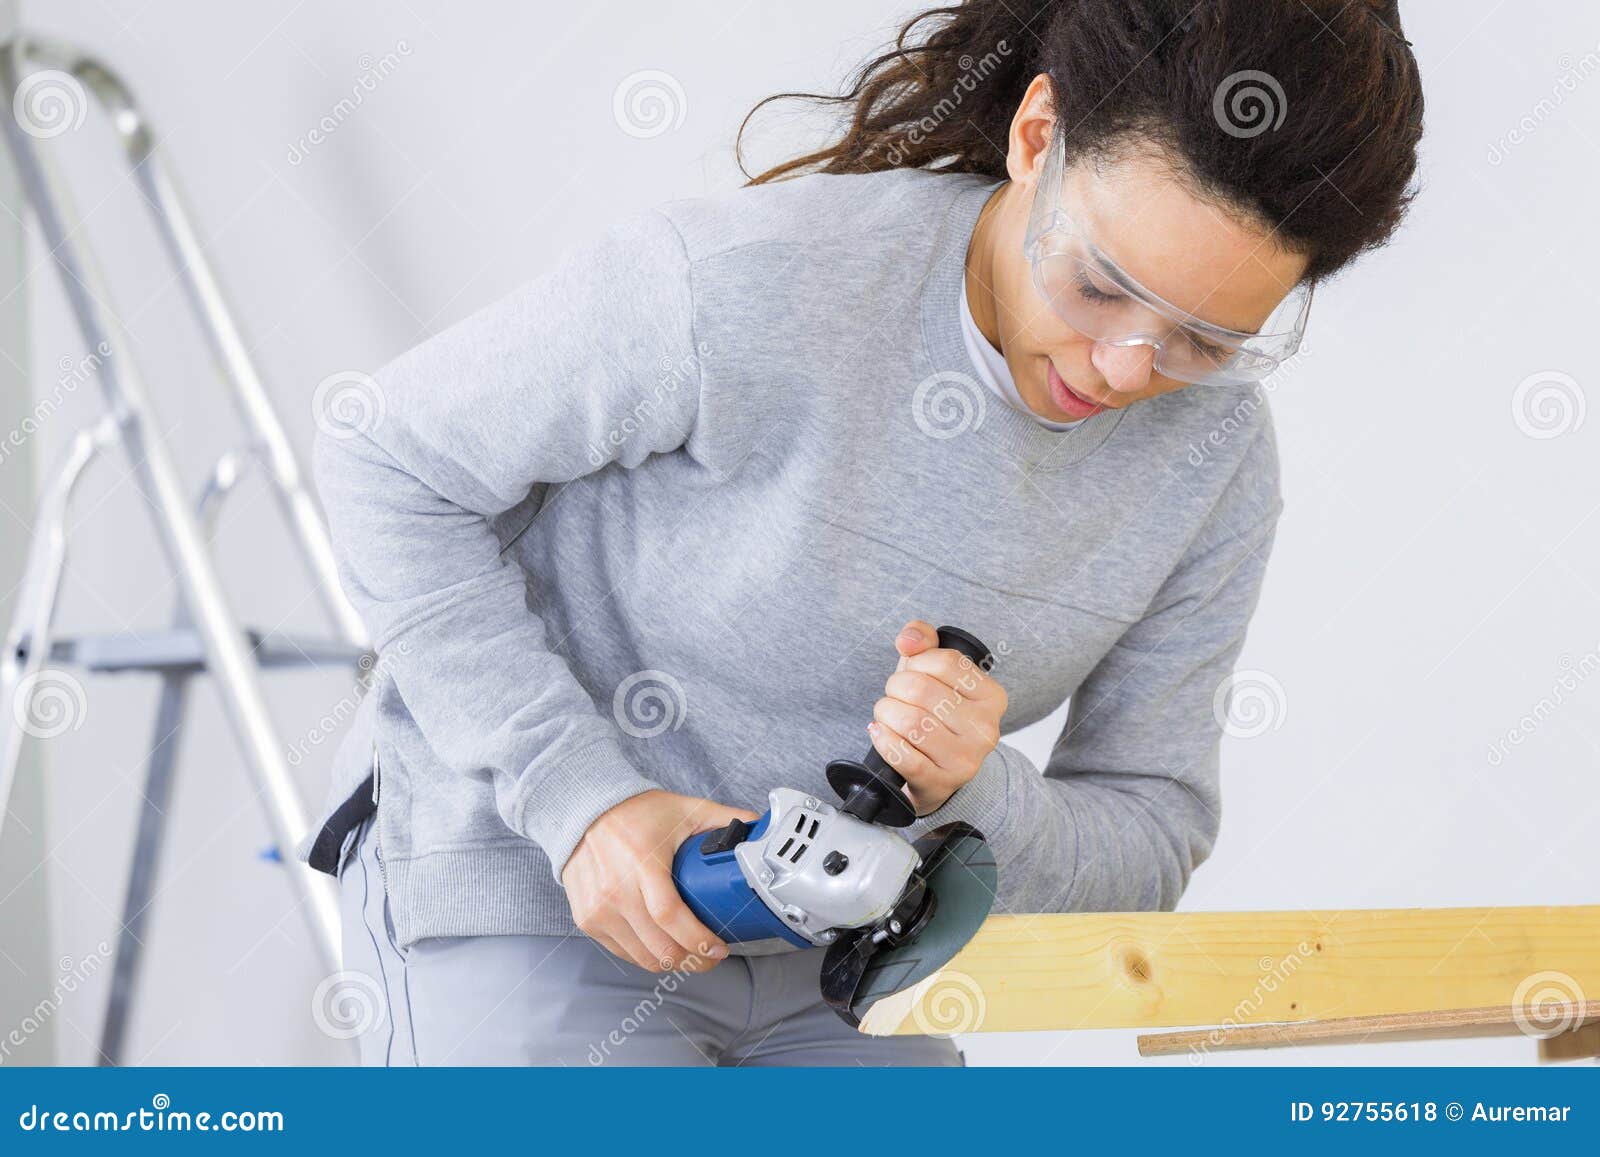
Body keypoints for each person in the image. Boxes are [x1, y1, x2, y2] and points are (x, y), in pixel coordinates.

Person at [304, 0, 1424, 1066]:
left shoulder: (1211, 457)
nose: (1126, 367)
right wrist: (579, 799)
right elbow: (386, 458)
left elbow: (1145, 835)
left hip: (838, 961)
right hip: (529, 882)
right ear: (1038, 135)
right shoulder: (742, 281)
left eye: (1204, 339)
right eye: (1098, 285)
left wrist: (975, 788)